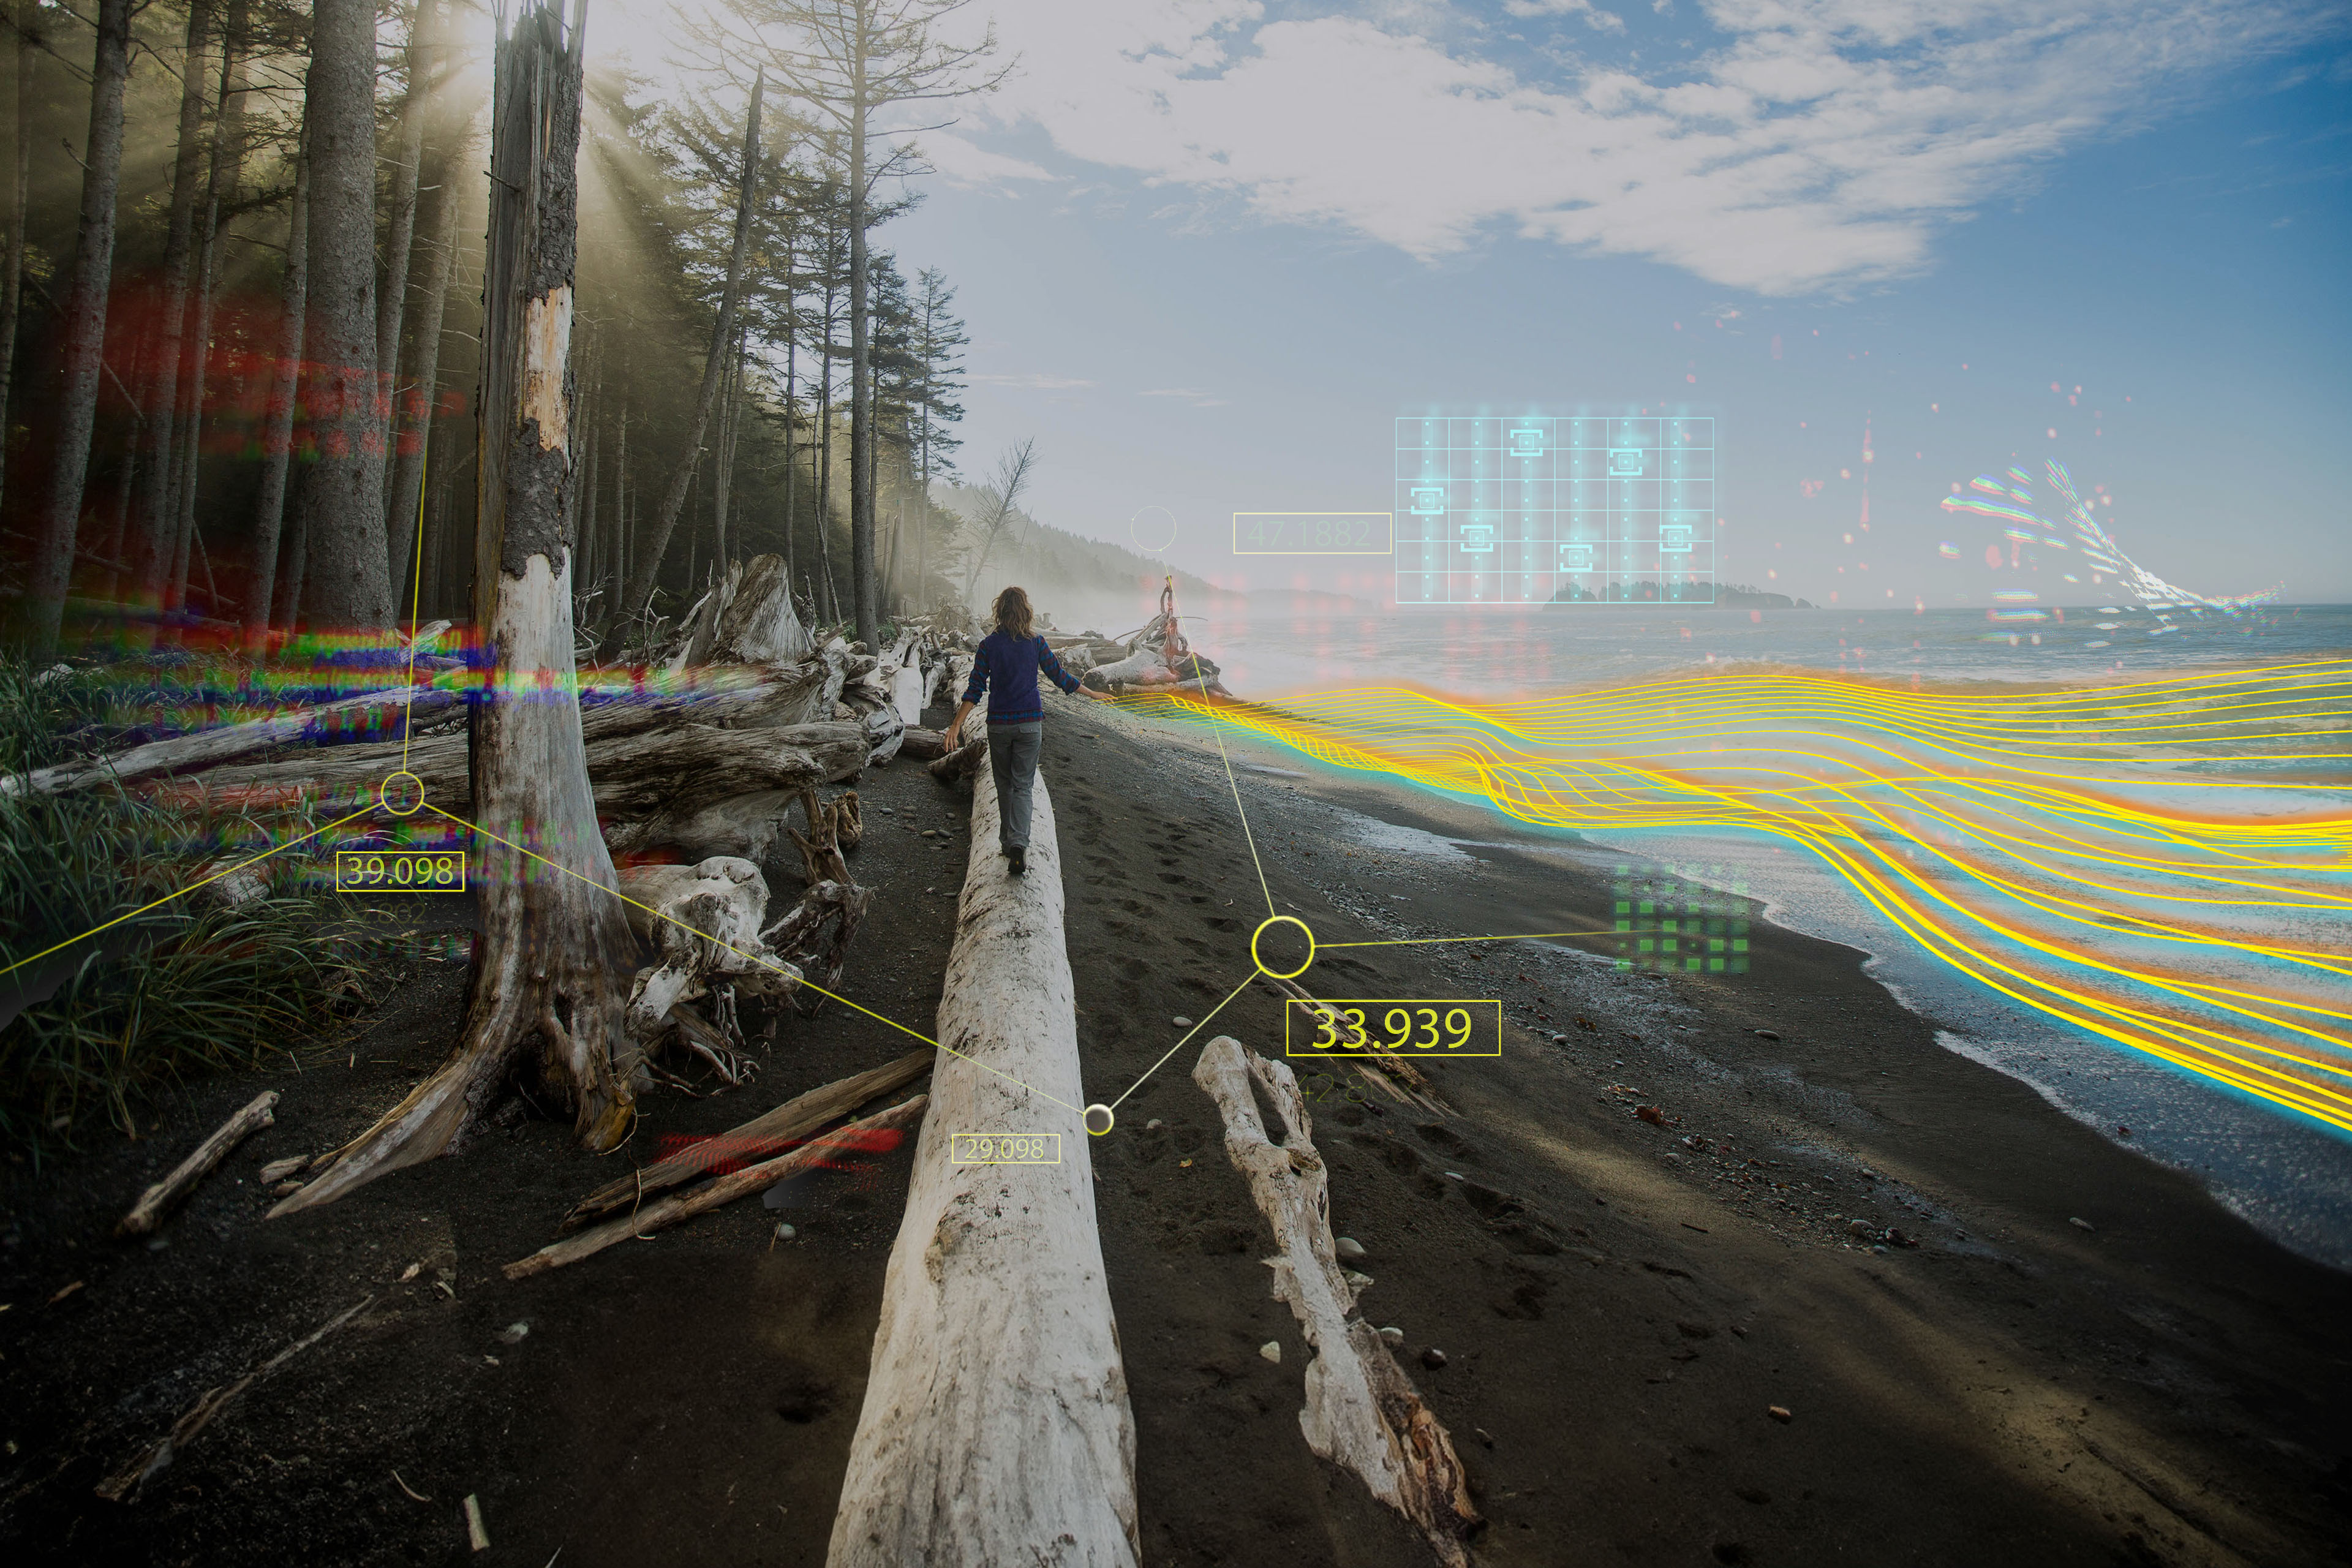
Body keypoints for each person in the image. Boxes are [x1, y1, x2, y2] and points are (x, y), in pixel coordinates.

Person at [945, 586, 1112, 875]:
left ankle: (1008, 843)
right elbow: (1059, 676)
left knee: (1004, 784)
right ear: (1026, 611)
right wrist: (1091, 693)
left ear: (999, 612)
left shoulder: (988, 646)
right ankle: (1020, 843)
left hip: (999, 725)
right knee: (1023, 785)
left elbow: (974, 689)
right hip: (1029, 725)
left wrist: (956, 725)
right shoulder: (1036, 643)